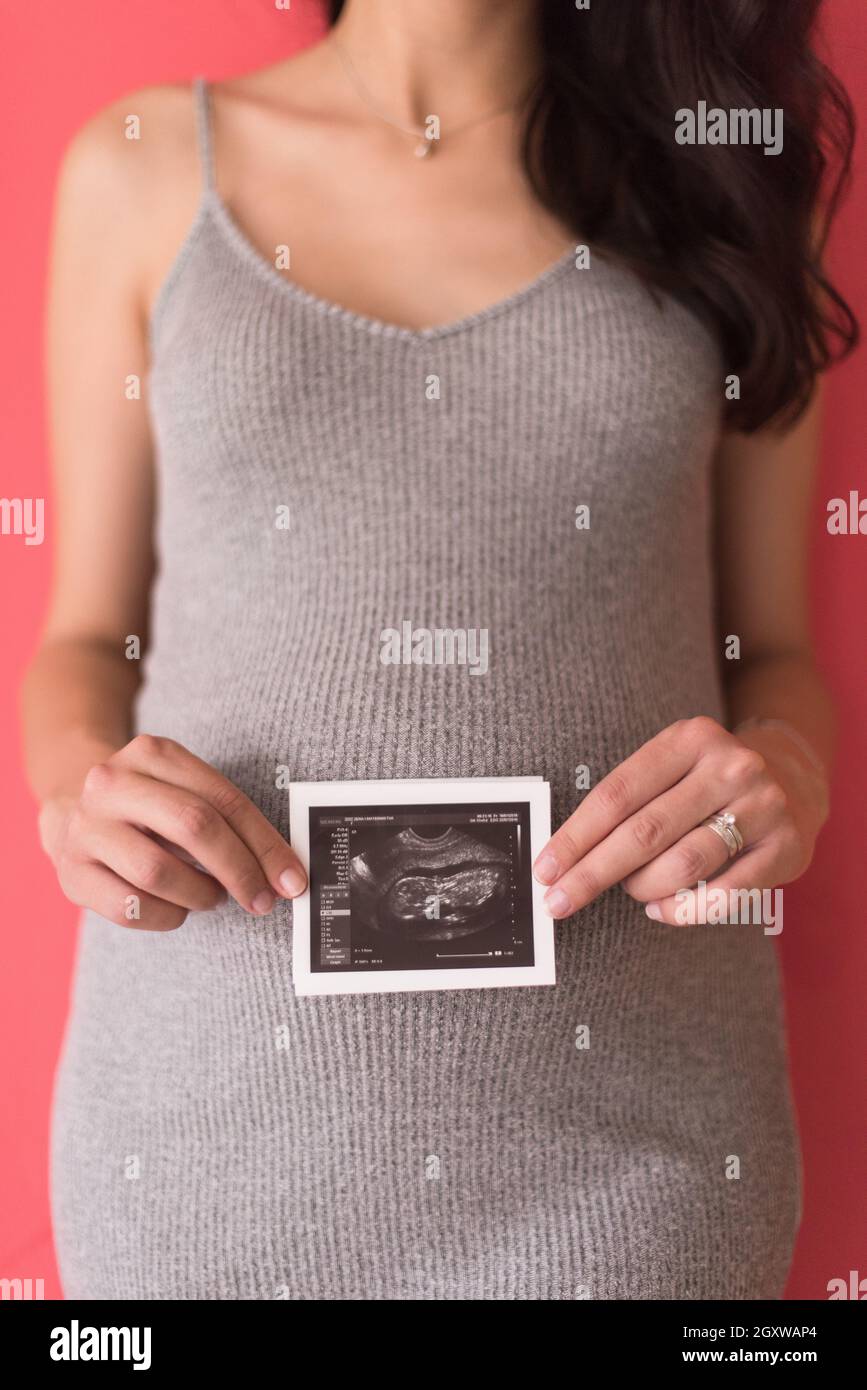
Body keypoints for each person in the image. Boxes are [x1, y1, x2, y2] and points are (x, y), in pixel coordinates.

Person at [23, 0, 855, 1299]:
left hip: (634, 1167)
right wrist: (80, 790)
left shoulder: (724, 175)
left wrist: (786, 770)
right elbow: (84, 637)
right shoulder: (137, 168)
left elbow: (776, 648)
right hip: (208, 1143)